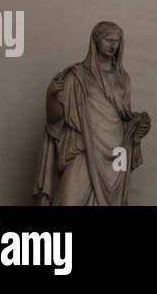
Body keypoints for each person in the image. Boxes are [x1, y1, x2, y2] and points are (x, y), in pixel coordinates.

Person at [33, 21, 150, 205]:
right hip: (84, 148)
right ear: (95, 41)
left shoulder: (123, 79)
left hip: (115, 154)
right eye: (108, 39)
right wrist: (51, 96)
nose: (113, 45)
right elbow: (55, 121)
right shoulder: (77, 76)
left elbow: (124, 118)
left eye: (117, 41)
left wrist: (139, 124)